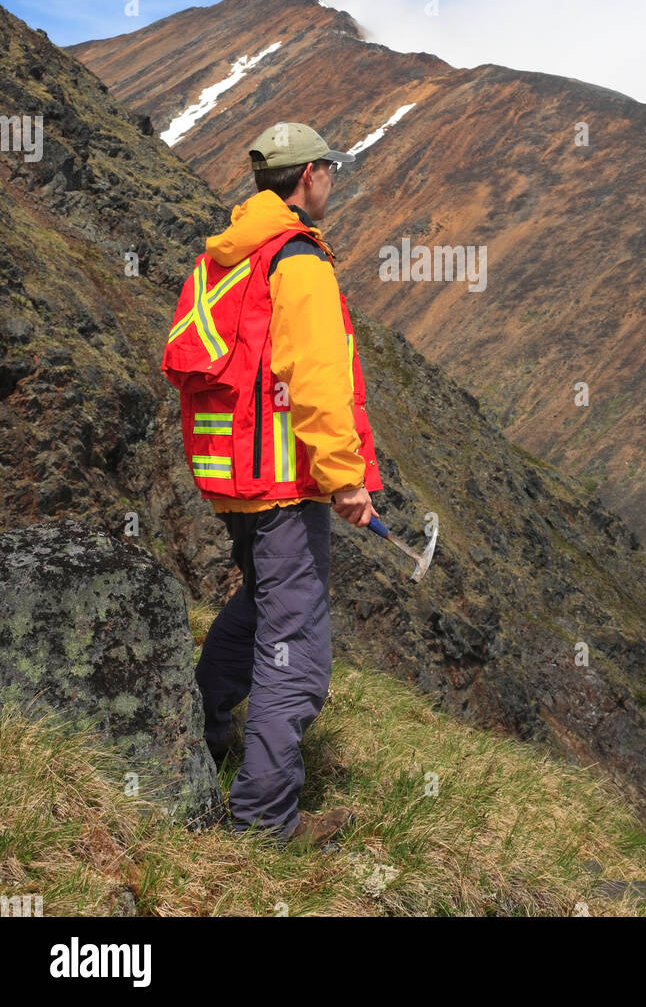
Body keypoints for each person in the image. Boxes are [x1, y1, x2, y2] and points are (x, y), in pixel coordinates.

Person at [163, 122, 383, 849]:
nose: (334, 185)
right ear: (311, 175)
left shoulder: (225, 257)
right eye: (332, 172)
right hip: (284, 485)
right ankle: (265, 824)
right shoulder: (299, 262)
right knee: (299, 650)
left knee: (261, 604)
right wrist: (346, 479)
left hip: (234, 482)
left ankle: (207, 728)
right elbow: (314, 380)